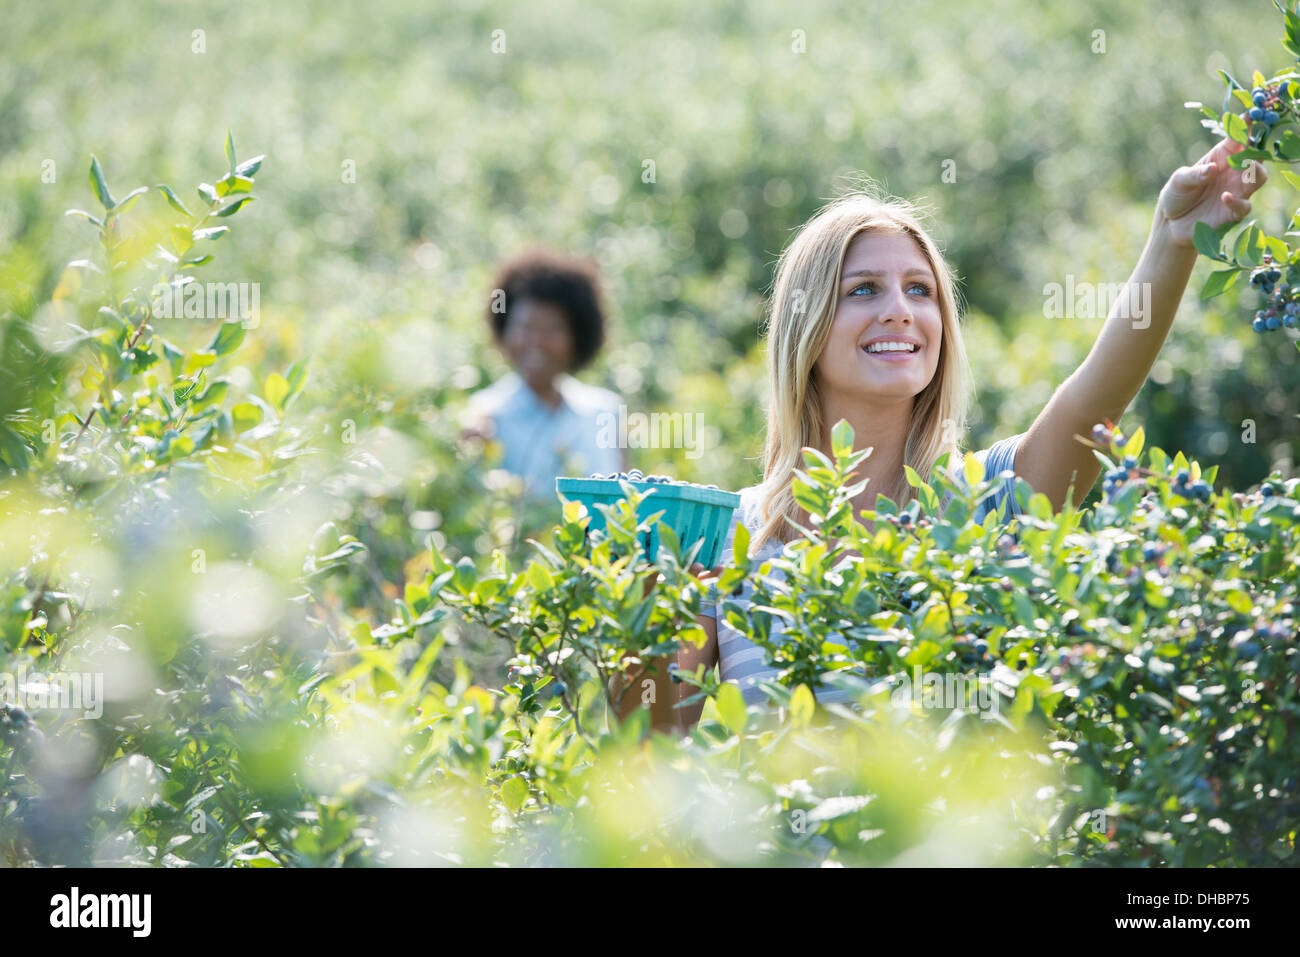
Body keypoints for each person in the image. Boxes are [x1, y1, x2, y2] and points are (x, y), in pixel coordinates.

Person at [657, 137, 1266, 730]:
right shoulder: (724, 538)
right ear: (805, 326)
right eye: (862, 289)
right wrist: (642, 626)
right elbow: (654, 761)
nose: (900, 309)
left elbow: (1090, 405)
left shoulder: (988, 501)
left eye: (919, 290)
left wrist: (1173, 238)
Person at [463, 248, 627, 499]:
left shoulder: (605, 411)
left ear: (577, 337)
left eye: (552, 329)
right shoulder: (485, 416)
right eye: (525, 326)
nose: (536, 342)